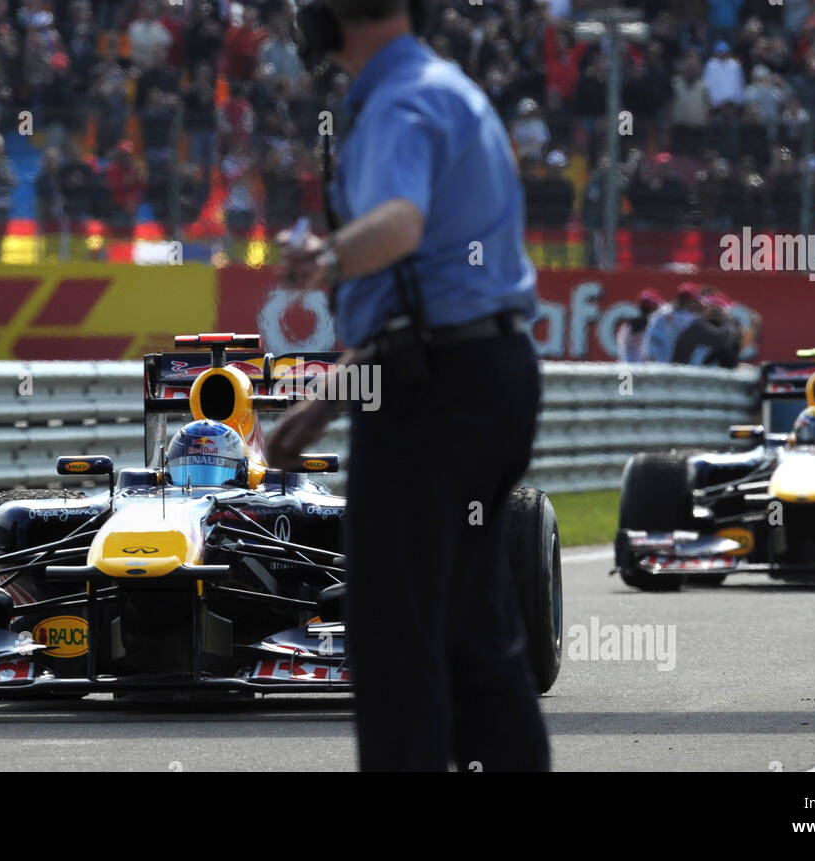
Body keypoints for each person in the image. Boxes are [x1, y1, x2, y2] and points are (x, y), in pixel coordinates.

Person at [267, 0, 548, 772]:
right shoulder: (453, 89)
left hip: (433, 393)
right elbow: (423, 310)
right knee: (471, 629)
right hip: (487, 373)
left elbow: (397, 227)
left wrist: (325, 261)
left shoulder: (398, 103)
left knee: (395, 636)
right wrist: (323, 403)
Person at [643, 282, 702, 363]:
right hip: (662, 364)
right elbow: (651, 341)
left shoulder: (693, 319)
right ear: (691, 301)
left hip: (681, 364)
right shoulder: (661, 315)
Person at [615, 289, 665, 363]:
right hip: (638, 367)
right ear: (653, 307)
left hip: (628, 365)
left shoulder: (628, 324)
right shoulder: (646, 324)